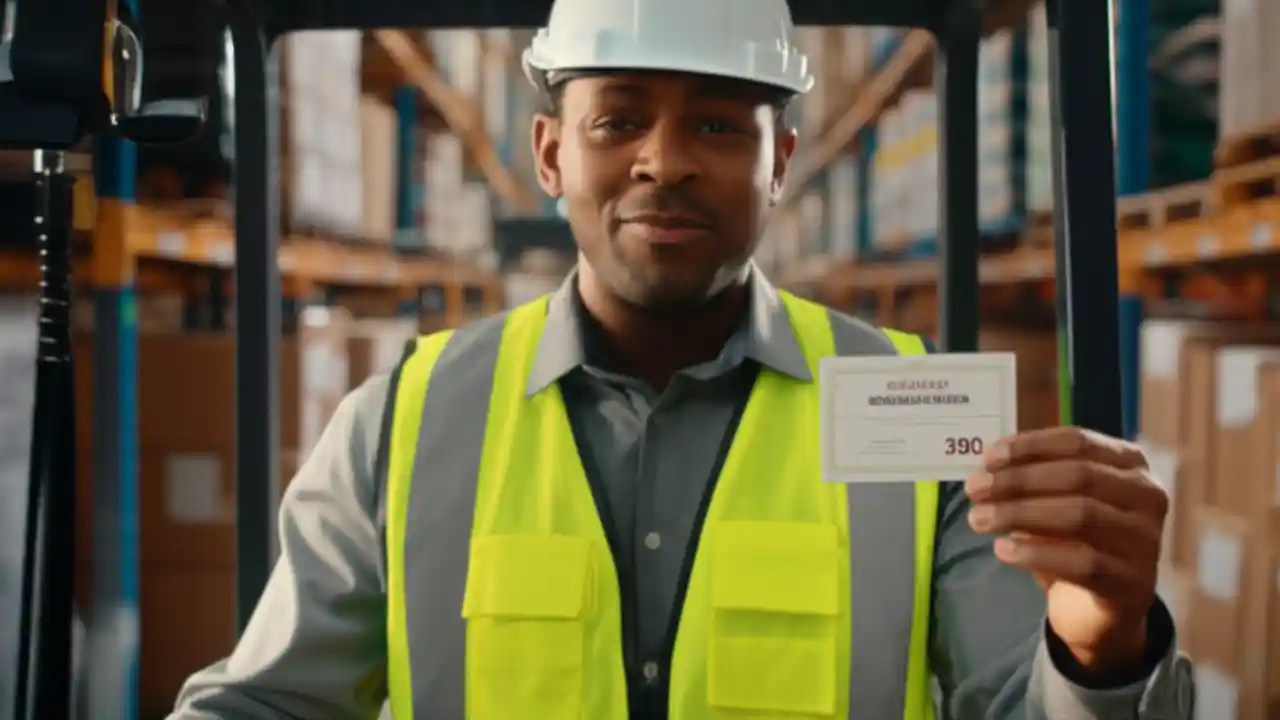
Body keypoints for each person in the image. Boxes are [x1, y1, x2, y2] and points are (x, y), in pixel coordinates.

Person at [169, 0, 1194, 717]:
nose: (663, 159)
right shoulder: (405, 418)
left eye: (714, 119)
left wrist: (1101, 645)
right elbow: (268, 703)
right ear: (550, 153)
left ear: (778, 162)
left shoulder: (908, 411)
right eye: (617, 118)